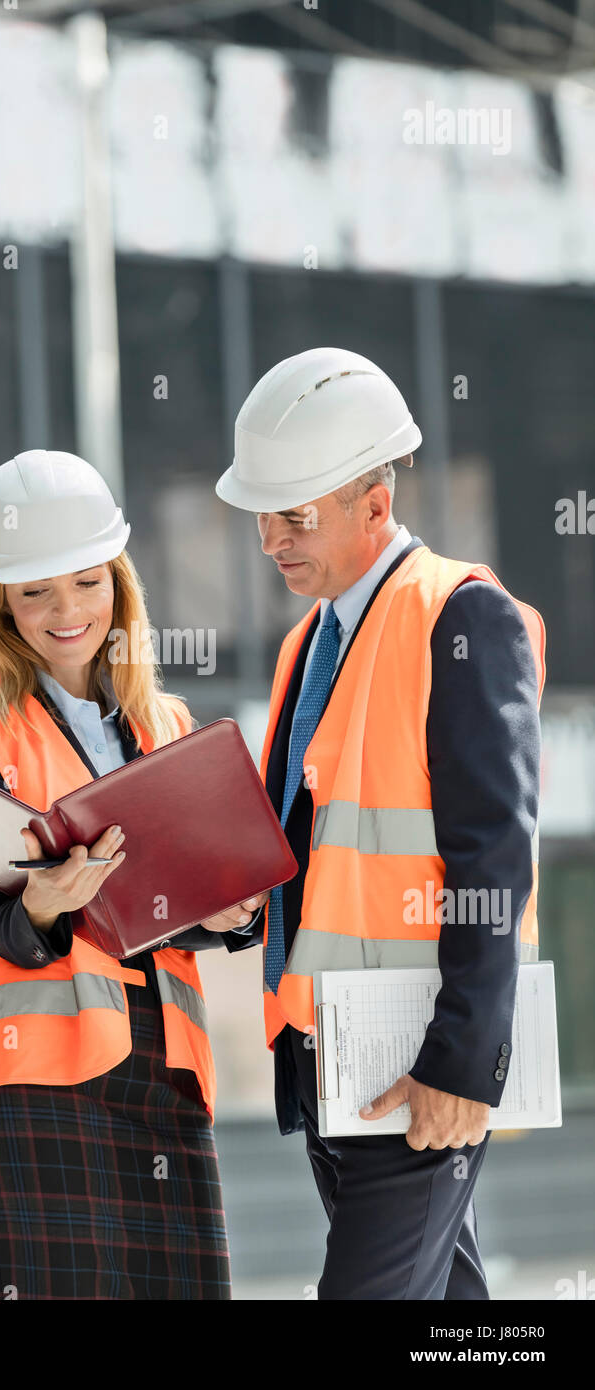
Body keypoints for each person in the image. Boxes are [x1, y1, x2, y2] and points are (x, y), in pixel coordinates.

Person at [215, 346, 545, 1300]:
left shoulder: (461, 617)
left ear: (374, 500)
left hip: (420, 1056)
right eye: (264, 516)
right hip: (336, 1055)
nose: (272, 538)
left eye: (296, 514)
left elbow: (495, 853)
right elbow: (312, 849)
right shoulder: (305, 643)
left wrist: (465, 1060)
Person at [0, 449, 262, 1300]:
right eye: (35, 590)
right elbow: (3, 925)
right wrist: (43, 902)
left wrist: (233, 917)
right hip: (32, 1073)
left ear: (119, 582)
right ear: (2, 601)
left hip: (163, 1067)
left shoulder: (169, 723)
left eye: (86, 582)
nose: (66, 610)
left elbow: (176, 904)